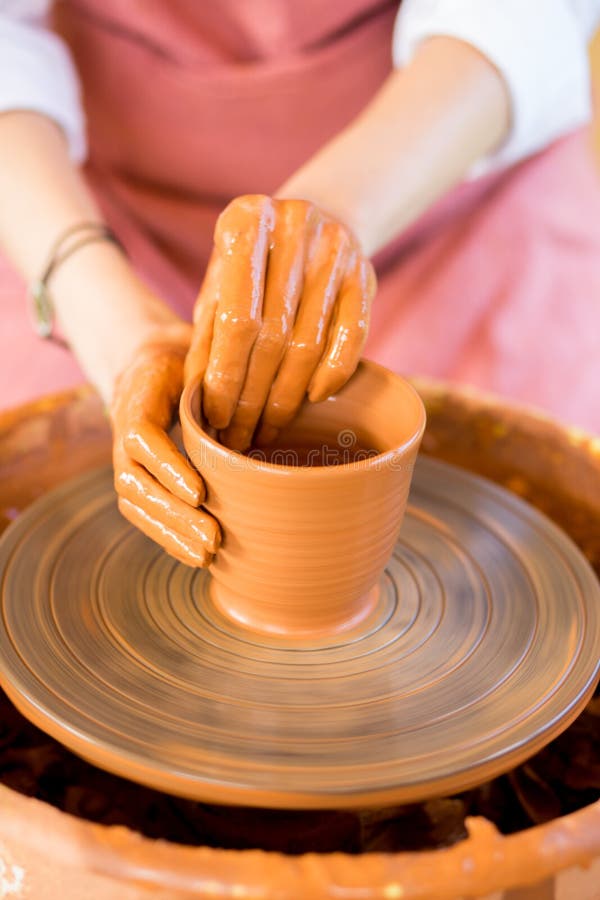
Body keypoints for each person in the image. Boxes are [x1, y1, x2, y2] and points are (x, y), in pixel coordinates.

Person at [0, 1, 599, 566]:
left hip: (449, 165)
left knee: (532, 493)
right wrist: (108, 320)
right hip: (82, 211)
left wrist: (338, 207)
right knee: (61, 456)